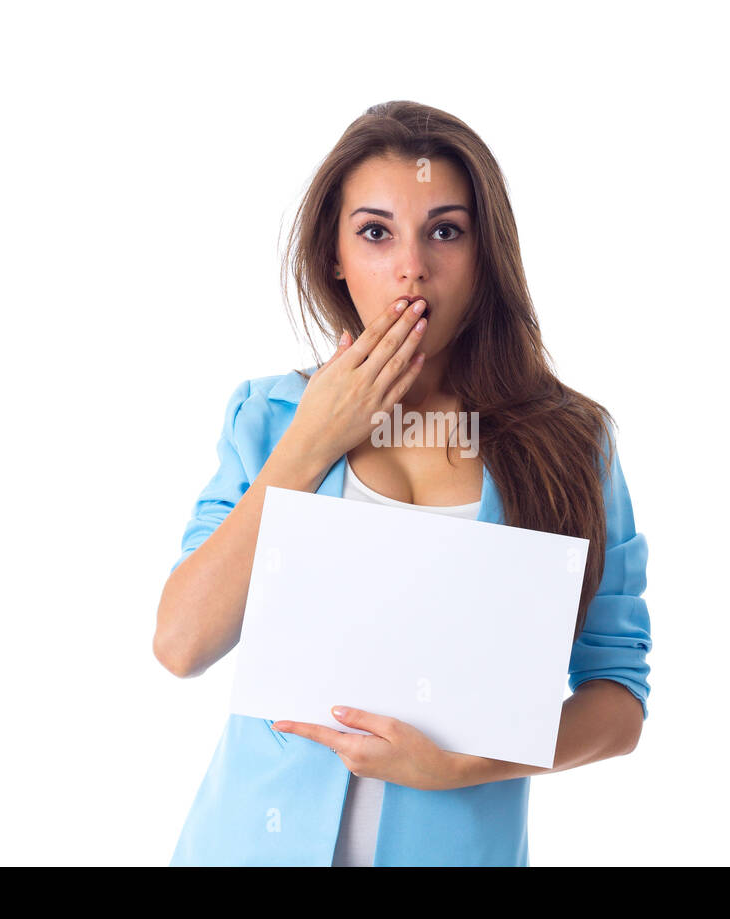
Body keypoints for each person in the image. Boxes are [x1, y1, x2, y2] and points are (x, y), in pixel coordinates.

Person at [154, 101, 652, 866]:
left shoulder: (570, 443)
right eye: (376, 232)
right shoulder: (269, 415)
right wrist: (314, 439)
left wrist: (469, 765)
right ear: (336, 257)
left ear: (486, 254)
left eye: (445, 231)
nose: (411, 266)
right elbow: (182, 643)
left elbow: (617, 697)